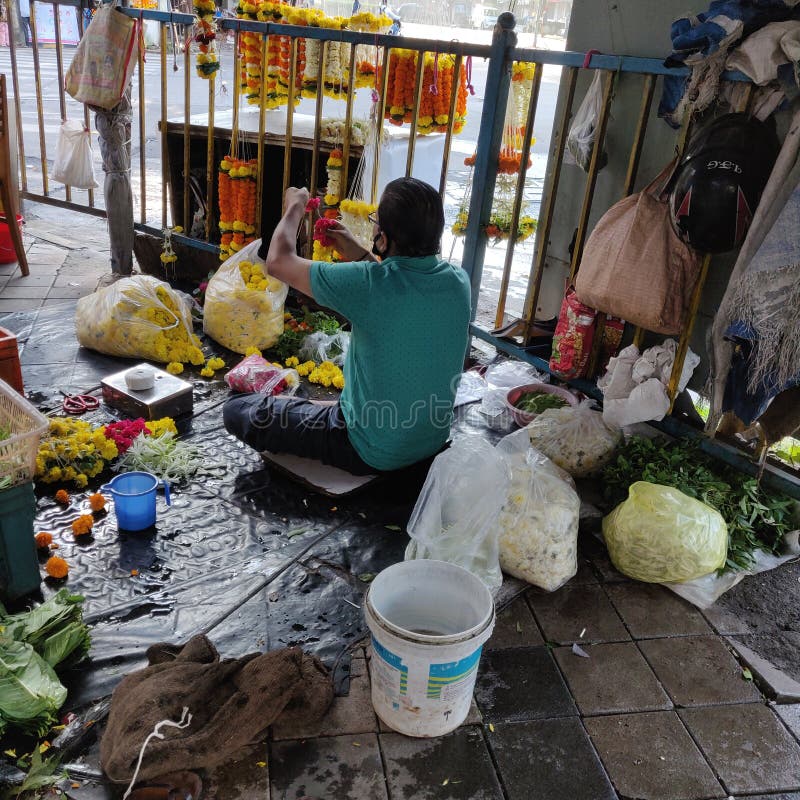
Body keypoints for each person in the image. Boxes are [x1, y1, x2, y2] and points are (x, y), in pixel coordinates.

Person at [223, 177, 471, 475]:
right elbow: (401, 291)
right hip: (429, 441)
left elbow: (278, 261)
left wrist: (295, 207)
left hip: (369, 450)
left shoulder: (370, 285)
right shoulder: (458, 282)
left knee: (238, 410)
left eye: (375, 222)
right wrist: (361, 253)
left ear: (384, 238)